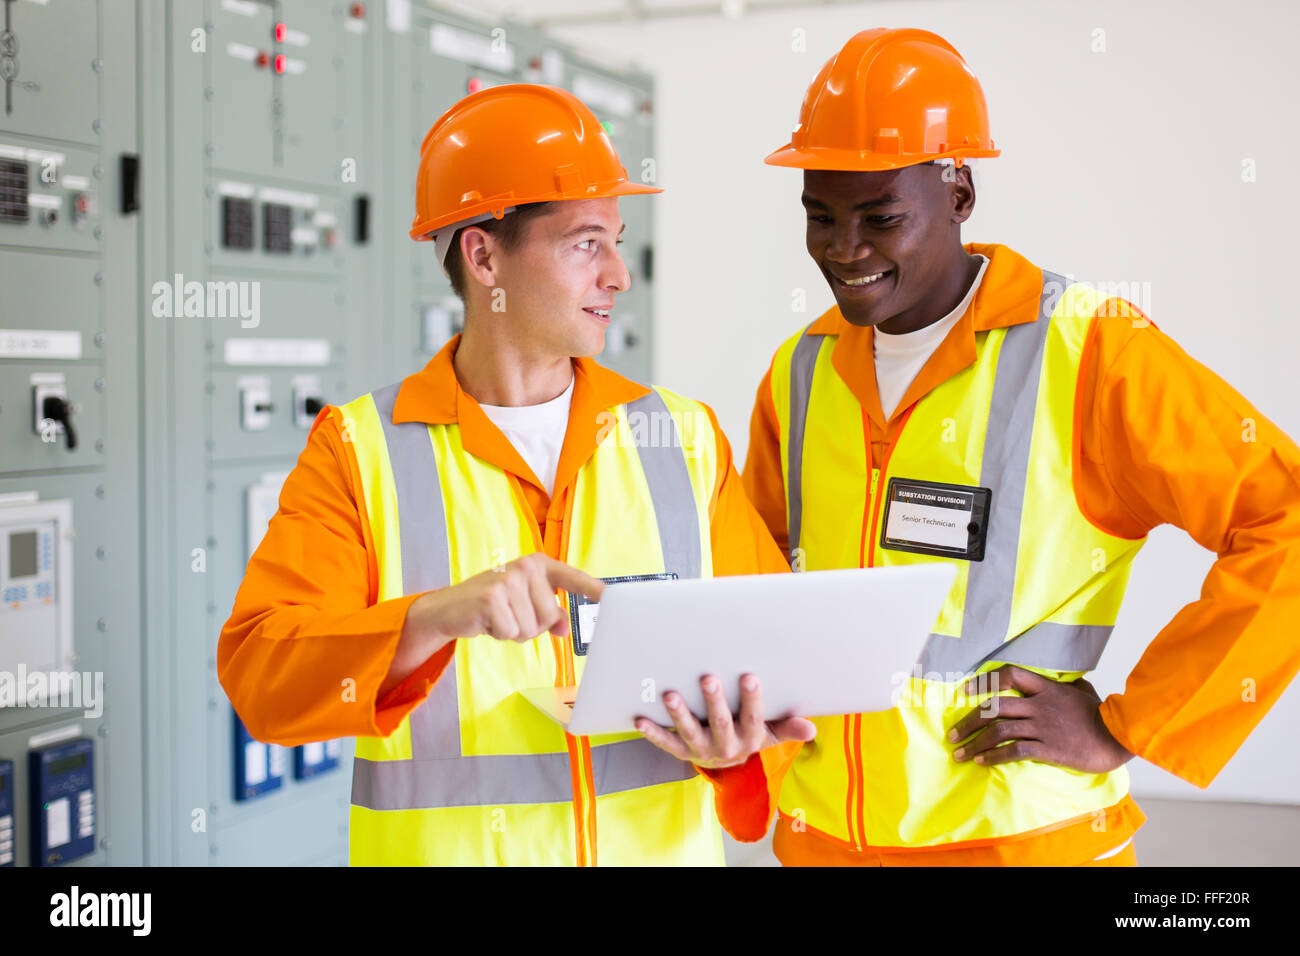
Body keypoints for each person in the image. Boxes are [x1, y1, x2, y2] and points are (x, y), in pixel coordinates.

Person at [657, 27, 1300, 866]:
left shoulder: (1087, 349)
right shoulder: (802, 370)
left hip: (1017, 840)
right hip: (826, 838)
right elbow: (764, 589)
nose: (844, 250)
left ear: (958, 189)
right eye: (820, 217)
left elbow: (1282, 517)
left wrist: (1130, 726)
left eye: (880, 217)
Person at [217, 84, 810, 866]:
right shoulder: (359, 450)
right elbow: (266, 679)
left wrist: (736, 748)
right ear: (484, 254)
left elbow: (771, 668)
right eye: (585, 244)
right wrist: (431, 617)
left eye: (617, 242)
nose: (619, 277)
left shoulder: (683, 438)